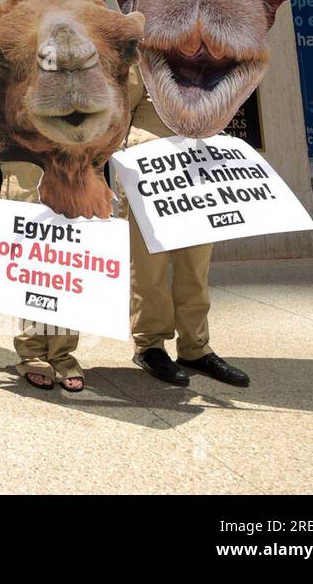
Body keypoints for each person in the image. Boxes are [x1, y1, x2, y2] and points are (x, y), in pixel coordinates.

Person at [124, 64, 249, 387]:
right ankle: (149, 345)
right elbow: (122, 106)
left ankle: (195, 347)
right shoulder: (144, 49)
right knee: (148, 266)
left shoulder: (213, 53)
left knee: (195, 265)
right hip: (151, 170)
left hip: (199, 169)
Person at [0, 161, 84, 392]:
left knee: (67, 271)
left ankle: (62, 354)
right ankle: (33, 354)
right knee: (32, 272)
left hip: (73, 168)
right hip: (26, 169)